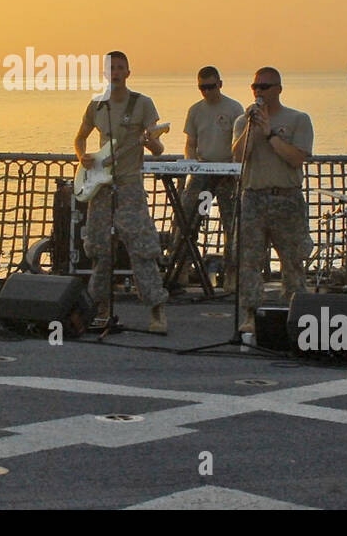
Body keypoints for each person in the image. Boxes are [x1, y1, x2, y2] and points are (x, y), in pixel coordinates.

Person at [74, 51, 169, 334]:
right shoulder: (97, 105)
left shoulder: (142, 104)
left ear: (128, 72)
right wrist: (82, 156)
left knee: (141, 248)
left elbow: (158, 147)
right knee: (99, 249)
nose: (115, 72)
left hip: (128, 185)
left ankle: (156, 310)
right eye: (110, 68)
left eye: (120, 68)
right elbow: (80, 137)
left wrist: (151, 142)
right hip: (101, 186)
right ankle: (99, 307)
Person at [230, 67, 314, 333]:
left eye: (265, 87)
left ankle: (296, 314)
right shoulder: (243, 122)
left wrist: (270, 134)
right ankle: (250, 314)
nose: (259, 92)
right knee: (250, 260)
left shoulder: (298, 119)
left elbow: (296, 158)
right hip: (253, 196)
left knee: (292, 260)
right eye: (255, 87)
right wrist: (253, 129)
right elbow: (238, 155)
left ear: (278, 88)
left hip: (285, 197)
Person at [168, 66, 242, 294]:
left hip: (227, 175)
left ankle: (232, 274)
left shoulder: (233, 108)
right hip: (203, 174)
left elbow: (239, 142)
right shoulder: (195, 111)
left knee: (233, 225)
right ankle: (181, 269)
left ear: (220, 84)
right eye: (202, 87)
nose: (206, 92)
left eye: (210, 87)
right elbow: (190, 142)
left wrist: (234, 167)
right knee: (188, 218)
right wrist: (192, 163)